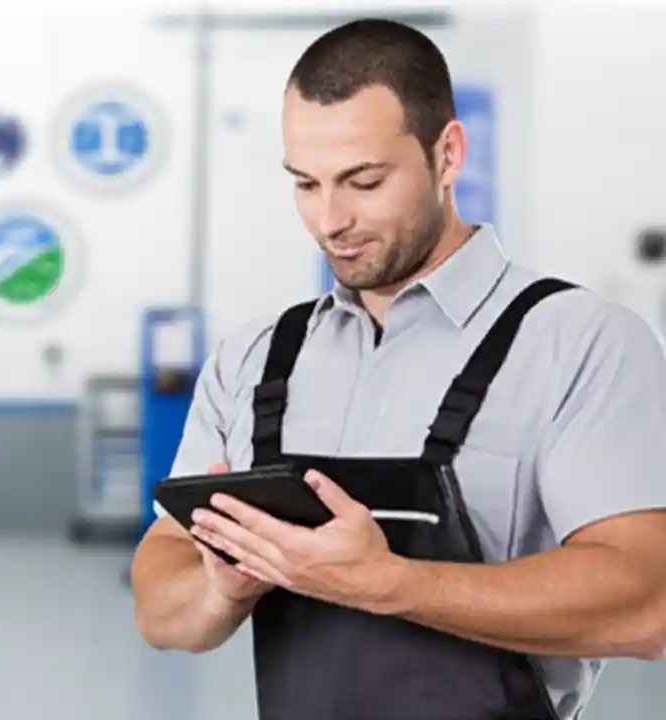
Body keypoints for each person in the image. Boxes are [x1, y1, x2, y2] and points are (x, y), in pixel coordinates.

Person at [130, 18, 666, 720]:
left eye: (364, 181)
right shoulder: (254, 361)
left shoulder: (580, 342)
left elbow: (648, 602)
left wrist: (387, 582)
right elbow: (159, 598)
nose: (330, 220)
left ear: (448, 155)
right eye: (305, 184)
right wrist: (220, 591)